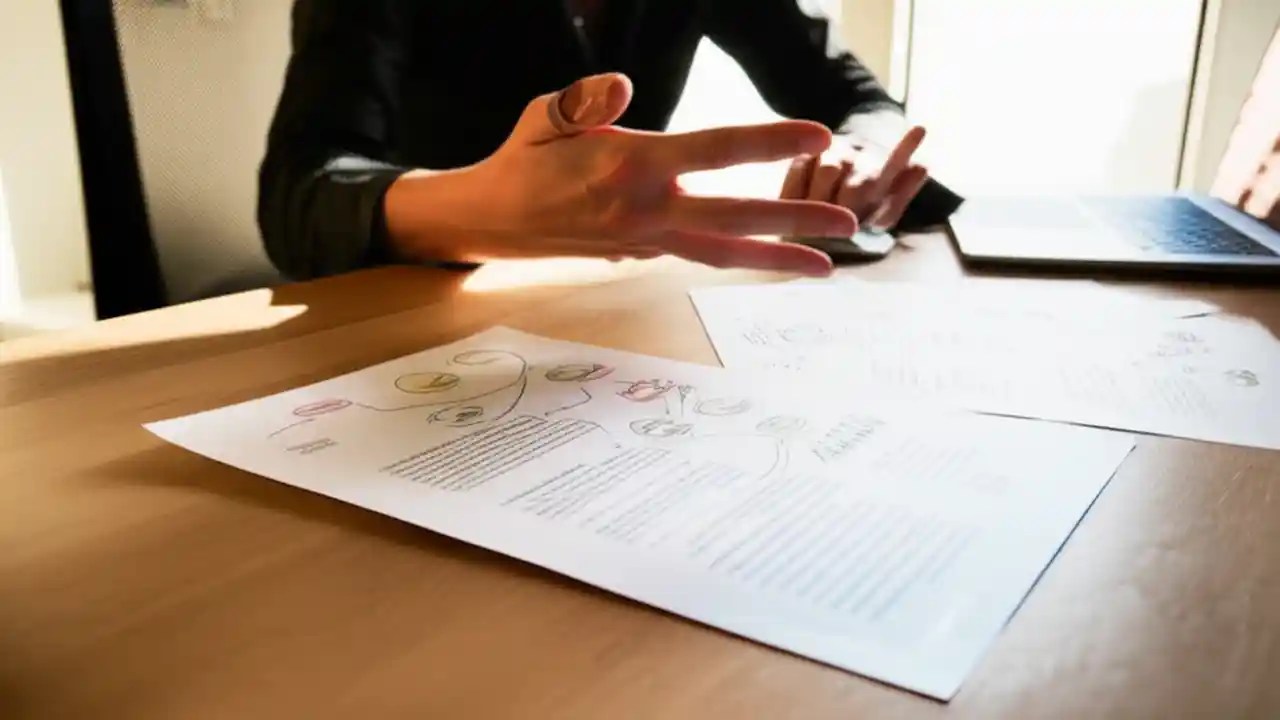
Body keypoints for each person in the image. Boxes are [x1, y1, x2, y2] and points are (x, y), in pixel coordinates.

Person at [258, 1, 963, 281]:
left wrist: (863, 153)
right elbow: (299, 191)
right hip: (411, 330)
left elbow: (862, 99)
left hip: (614, 319)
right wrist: (479, 210)